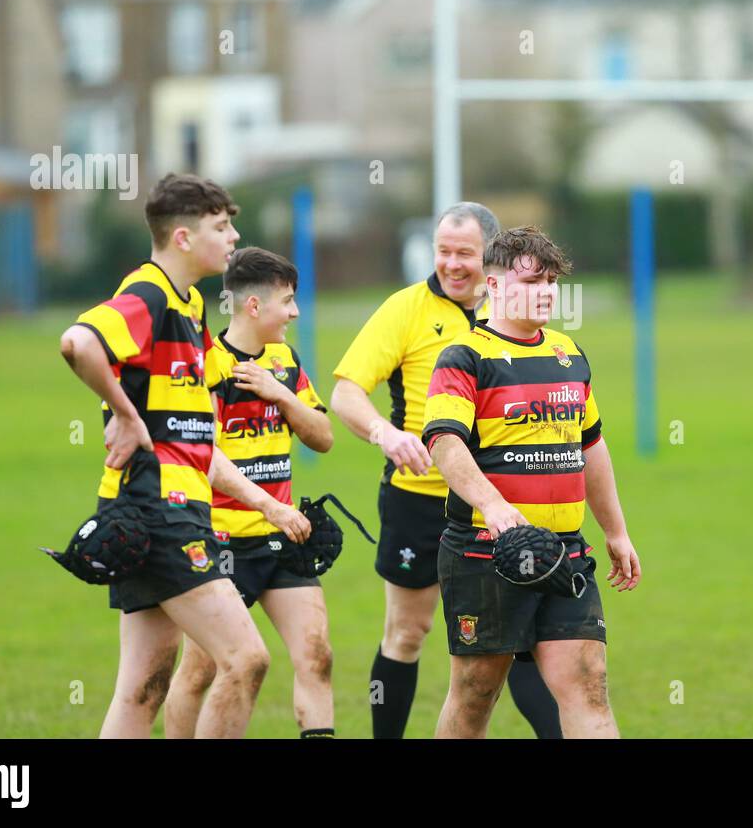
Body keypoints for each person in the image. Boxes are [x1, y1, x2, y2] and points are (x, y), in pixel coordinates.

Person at [59, 174, 310, 739]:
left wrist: (267, 507)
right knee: (247, 658)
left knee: (144, 689)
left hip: (166, 507)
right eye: (221, 227)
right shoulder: (148, 294)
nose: (234, 237)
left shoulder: (190, 305)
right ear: (182, 238)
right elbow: (78, 341)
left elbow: (194, 440)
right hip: (159, 508)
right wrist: (123, 413)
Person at [330, 203, 562, 738]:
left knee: (524, 640)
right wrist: (384, 434)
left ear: (493, 257)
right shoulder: (405, 309)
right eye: (443, 251)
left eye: (465, 253)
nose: (452, 264)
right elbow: (345, 392)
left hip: (503, 503)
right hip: (420, 501)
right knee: (407, 633)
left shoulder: (514, 312)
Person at [422, 226, 640, 738]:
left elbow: (591, 448)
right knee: (475, 693)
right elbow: (444, 444)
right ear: (494, 287)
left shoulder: (568, 354)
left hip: (565, 551)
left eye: (550, 283)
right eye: (530, 282)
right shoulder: (465, 357)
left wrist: (615, 531)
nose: (544, 293)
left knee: (589, 685)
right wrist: (494, 507)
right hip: (484, 552)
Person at [162, 247, 336, 738]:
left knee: (317, 656)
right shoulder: (208, 368)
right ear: (254, 307)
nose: (296, 311)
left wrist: (280, 394)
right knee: (202, 670)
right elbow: (206, 459)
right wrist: (270, 505)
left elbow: (322, 438)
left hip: (281, 538)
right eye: (288, 300)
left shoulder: (284, 361)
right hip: (219, 541)